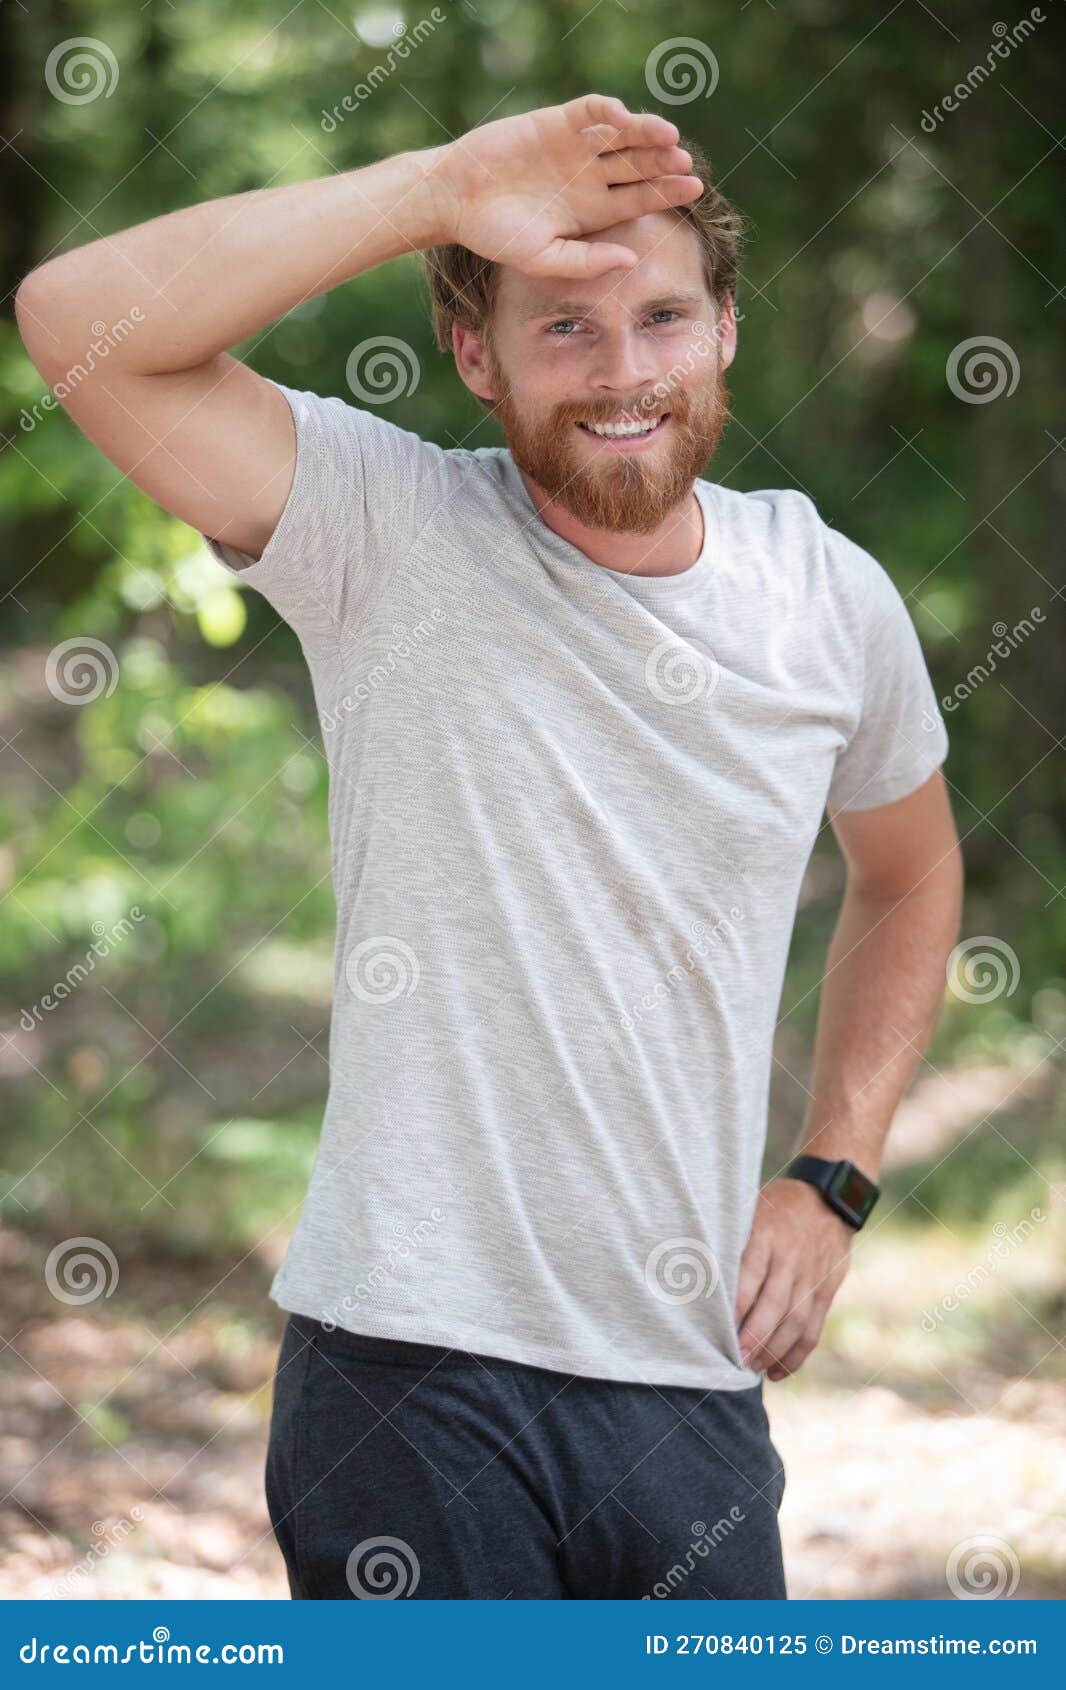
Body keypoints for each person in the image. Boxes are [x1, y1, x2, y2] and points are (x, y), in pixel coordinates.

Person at [16, 93, 963, 1600]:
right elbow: (76, 319)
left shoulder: (825, 596)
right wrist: (435, 191)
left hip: (686, 1386)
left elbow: (909, 876)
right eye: (563, 329)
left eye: (658, 316)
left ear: (723, 326)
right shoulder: (382, 529)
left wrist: (830, 1174)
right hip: (403, 1376)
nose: (622, 373)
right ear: (475, 354)